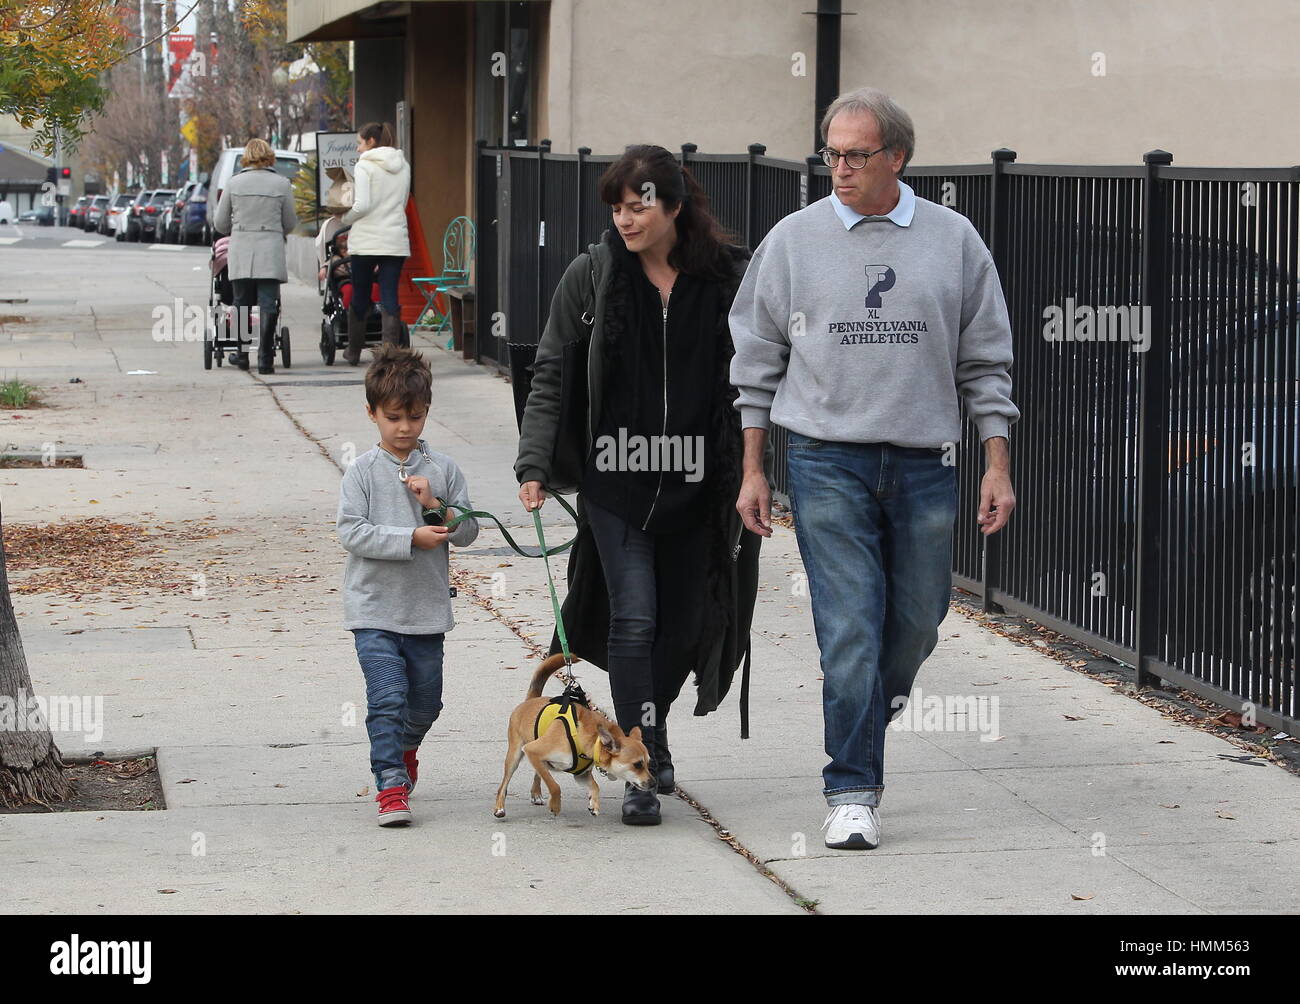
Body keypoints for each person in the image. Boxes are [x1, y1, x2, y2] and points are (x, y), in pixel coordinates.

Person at [729, 87, 1020, 850]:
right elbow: (756, 361)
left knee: (916, 623)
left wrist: (997, 463)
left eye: (858, 154)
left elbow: (986, 361)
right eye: (831, 152)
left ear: (898, 156)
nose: (841, 168)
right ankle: (851, 786)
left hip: (927, 460)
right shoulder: (793, 241)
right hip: (825, 459)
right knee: (849, 628)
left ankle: (863, 726)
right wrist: (754, 468)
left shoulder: (954, 240)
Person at [514, 145, 771, 825]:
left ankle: (646, 735)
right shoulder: (594, 276)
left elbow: (761, 376)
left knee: (686, 625)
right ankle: (640, 761)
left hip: (698, 484)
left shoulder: (728, 281)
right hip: (615, 481)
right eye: (617, 208)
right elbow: (550, 370)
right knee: (635, 616)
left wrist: (754, 466)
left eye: (639, 206)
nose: (625, 220)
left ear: (674, 207)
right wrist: (534, 462)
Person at [336, 345, 480, 826]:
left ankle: (407, 748)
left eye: (414, 417)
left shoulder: (442, 468)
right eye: (394, 416)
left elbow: (468, 530)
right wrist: (409, 538)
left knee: (425, 701)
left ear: (427, 413)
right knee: (388, 698)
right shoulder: (360, 472)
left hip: (425, 611)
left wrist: (435, 505)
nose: (404, 427)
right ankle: (391, 785)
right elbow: (351, 532)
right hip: (373, 610)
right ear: (372, 413)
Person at [212, 137, 296, 374]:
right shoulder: (281, 184)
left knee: (241, 303)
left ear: (246, 158)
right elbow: (290, 222)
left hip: (242, 250)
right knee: (268, 304)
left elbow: (219, 222)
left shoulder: (234, 183)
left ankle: (242, 353)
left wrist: (238, 228)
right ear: (270, 157)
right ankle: (265, 357)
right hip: (270, 250)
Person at [340, 121, 411, 364]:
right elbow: (401, 203)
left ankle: (354, 351)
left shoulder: (365, 166)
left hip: (367, 241)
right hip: (394, 240)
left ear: (371, 141)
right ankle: (389, 353)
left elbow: (362, 205)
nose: (358, 149)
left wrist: (344, 218)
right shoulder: (403, 166)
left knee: (360, 294)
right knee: (389, 293)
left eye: (360, 143)